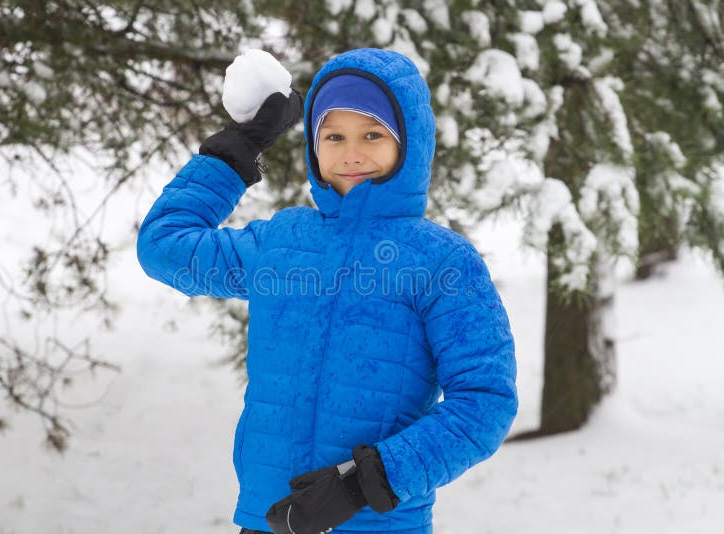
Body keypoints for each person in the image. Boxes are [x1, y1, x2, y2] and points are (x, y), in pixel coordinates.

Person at [136, 48, 518, 534]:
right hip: (270, 522)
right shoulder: (282, 243)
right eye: (333, 135)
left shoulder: (441, 262)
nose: (351, 152)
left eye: (373, 135)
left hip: (380, 524)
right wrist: (240, 145)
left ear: (410, 144)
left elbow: (484, 401)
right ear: (314, 145)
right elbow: (164, 246)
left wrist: (361, 484)